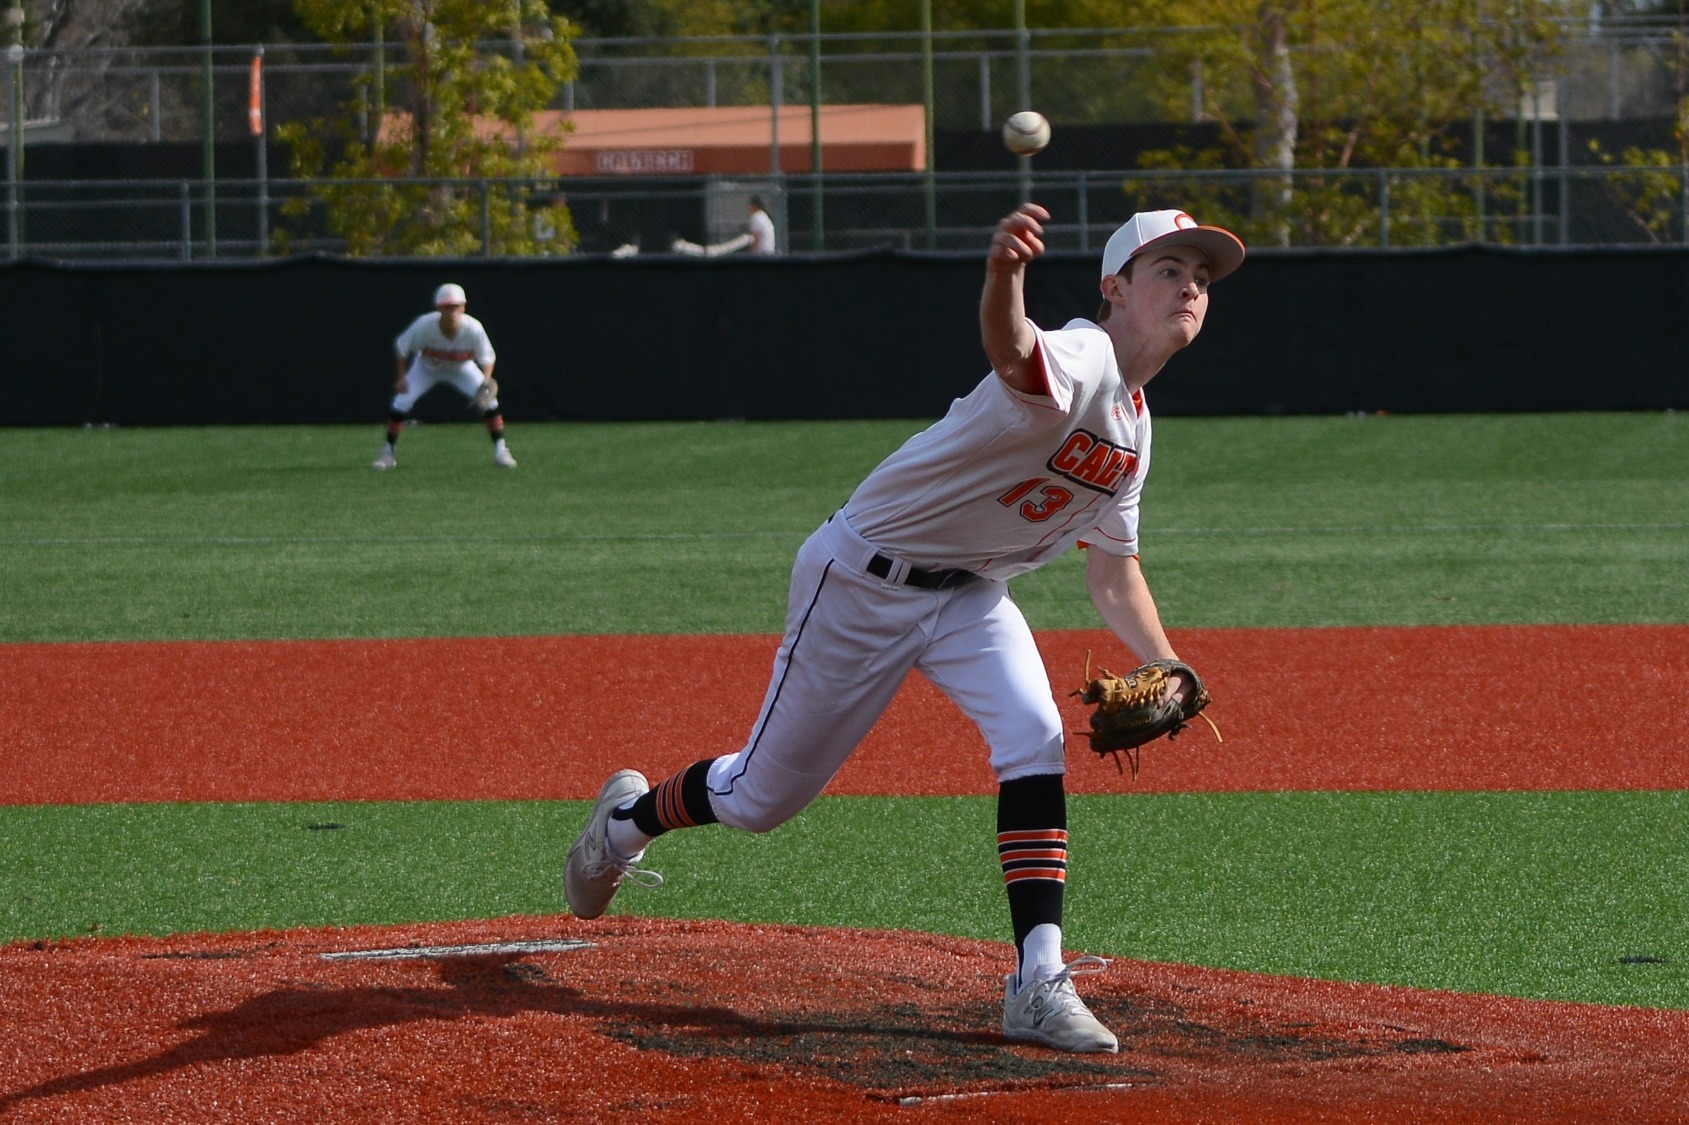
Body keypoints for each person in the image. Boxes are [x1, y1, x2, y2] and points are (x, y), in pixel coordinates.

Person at [563, 203, 1244, 1054]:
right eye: (1169, 269)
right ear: (1115, 287)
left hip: (970, 596)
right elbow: (1011, 350)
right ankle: (625, 821)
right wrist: (1003, 273)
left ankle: (1038, 979)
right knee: (760, 798)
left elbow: (1111, 568)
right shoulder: (1085, 354)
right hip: (861, 581)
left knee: (1035, 737)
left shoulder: (1135, 431)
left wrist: (1167, 660)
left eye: (1202, 277)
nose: (1190, 286)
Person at [372, 283, 515, 470]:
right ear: (439, 308)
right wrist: (401, 377)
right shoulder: (424, 325)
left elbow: (488, 357)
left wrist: (486, 381)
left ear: (463, 307)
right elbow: (401, 348)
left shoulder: (473, 328)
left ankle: (501, 451)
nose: (452, 312)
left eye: (456, 307)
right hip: (426, 368)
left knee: (490, 403)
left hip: (461, 368)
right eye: (447, 307)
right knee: (402, 401)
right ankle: (388, 452)